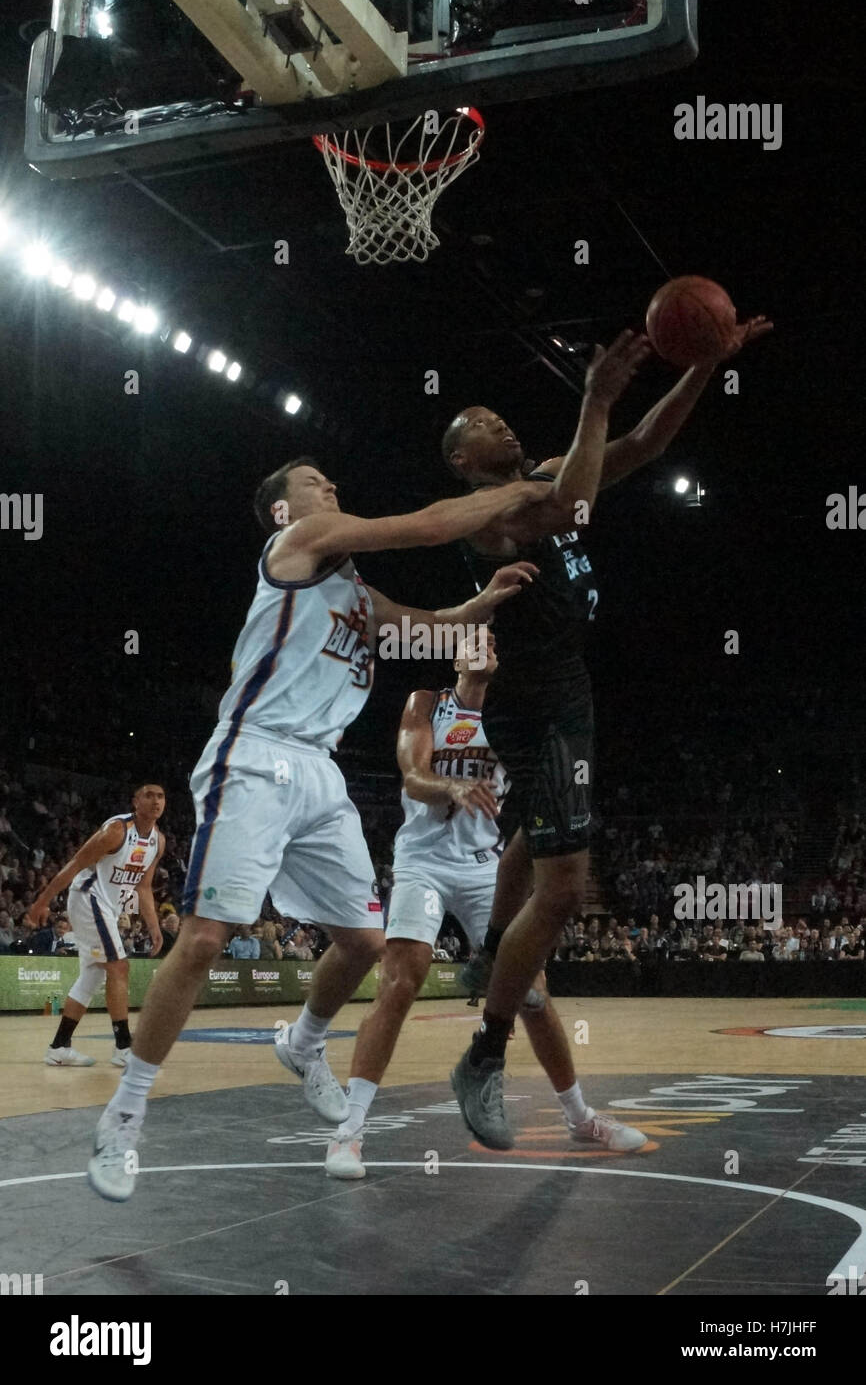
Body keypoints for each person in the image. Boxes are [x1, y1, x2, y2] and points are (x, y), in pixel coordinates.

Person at [87, 454, 547, 1200]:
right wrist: (517, 494)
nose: (330, 488)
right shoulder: (296, 546)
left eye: (332, 483)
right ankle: (125, 1114)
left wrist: (481, 602)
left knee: (366, 942)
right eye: (313, 484)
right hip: (256, 751)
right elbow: (425, 526)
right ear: (283, 510)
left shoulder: (356, 592)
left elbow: (428, 632)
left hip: (320, 770)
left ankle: (301, 1044)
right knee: (206, 936)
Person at [446, 315, 772, 1148]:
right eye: (483, 425)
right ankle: (485, 1052)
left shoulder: (551, 469)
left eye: (502, 418)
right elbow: (569, 508)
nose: (503, 426)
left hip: (569, 691)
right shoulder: (482, 514)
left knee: (536, 842)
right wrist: (591, 396)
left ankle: (489, 948)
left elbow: (645, 442)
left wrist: (701, 365)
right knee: (563, 889)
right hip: (535, 700)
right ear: (461, 457)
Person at [325, 634, 644, 1177]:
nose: (486, 645)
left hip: (484, 866)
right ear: (457, 657)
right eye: (476, 639)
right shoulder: (425, 702)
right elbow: (412, 773)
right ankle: (349, 1131)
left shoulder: (510, 716)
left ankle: (580, 1116)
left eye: (494, 642)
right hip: (422, 860)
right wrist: (449, 787)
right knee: (403, 978)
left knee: (534, 994)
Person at [28, 784, 166, 1069]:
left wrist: (154, 926)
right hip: (87, 898)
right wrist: (42, 901)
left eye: (161, 796)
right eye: (149, 795)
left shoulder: (158, 841)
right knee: (118, 966)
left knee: (92, 976)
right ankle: (124, 1048)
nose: (156, 801)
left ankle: (59, 1047)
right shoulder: (116, 831)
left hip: (108, 906)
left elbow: (144, 886)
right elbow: (76, 864)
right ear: (135, 801)